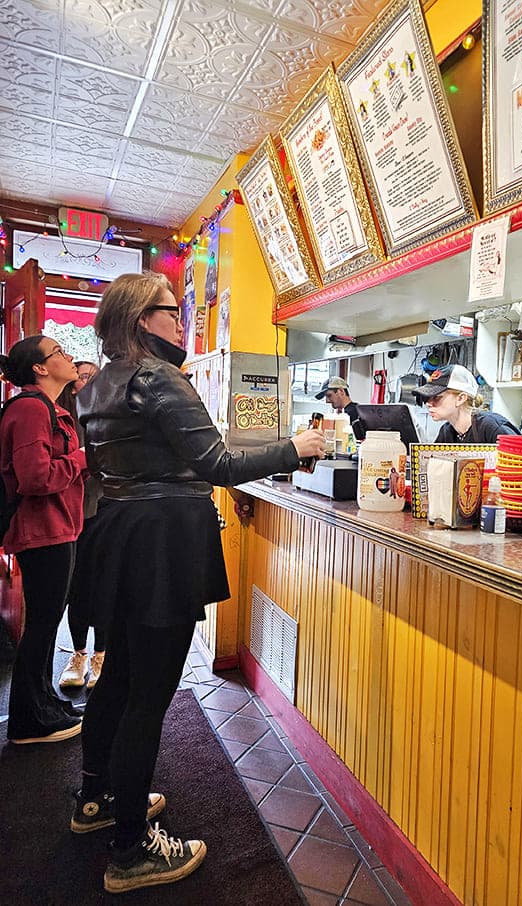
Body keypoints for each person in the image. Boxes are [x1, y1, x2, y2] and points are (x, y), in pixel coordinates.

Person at [72, 272, 325, 894]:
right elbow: (219, 464)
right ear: (140, 319)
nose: (180, 323)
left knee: (119, 675)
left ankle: (95, 798)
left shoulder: (97, 383)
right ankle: (131, 849)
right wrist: (297, 445)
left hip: (122, 533)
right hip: (165, 541)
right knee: (149, 694)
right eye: (171, 311)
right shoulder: (158, 376)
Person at [0, 335, 87, 744]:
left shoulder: (50, 410)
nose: (68, 357)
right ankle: (26, 722)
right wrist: (84, 459)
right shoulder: (32, 411)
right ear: (39, 368)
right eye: (59, 352)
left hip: (57, 528)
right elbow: (35, 477)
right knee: (41, 626)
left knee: (47, 625)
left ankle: (43, 703)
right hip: (42, 531)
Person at [56, 362, 106, 689]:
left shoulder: (109, 412)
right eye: (80, 375)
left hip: (104, 509)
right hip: (69, 514)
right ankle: (79, 654)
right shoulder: (59, 415)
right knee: (77, 588)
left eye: (91, 376)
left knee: (105, 586)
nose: (83, 380)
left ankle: (101, 655)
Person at [412, 363, 520, 443]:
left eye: (436, 397)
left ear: (461, 398)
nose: (428, 403)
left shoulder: (492, 427)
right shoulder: (446, 432)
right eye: (427, 398)